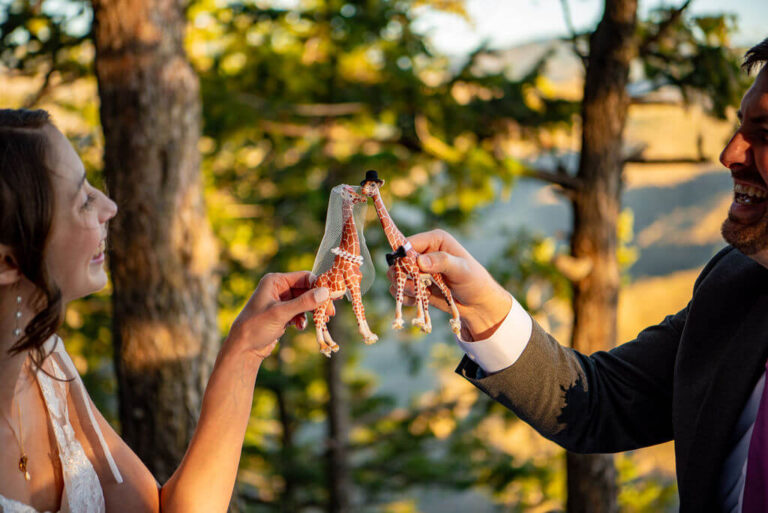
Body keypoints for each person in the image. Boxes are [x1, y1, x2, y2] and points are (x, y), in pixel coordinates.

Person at [389, 38, 768, 513]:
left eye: (766, 134)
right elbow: (599, 402)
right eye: (740, 127)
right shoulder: (735, 287)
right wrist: (482, 304)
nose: (731, 154)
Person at [0, 108, 331, 512]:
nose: (110, 207)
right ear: (8, 263)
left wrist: (245, 349)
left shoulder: (46, 365)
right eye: (83, 200)